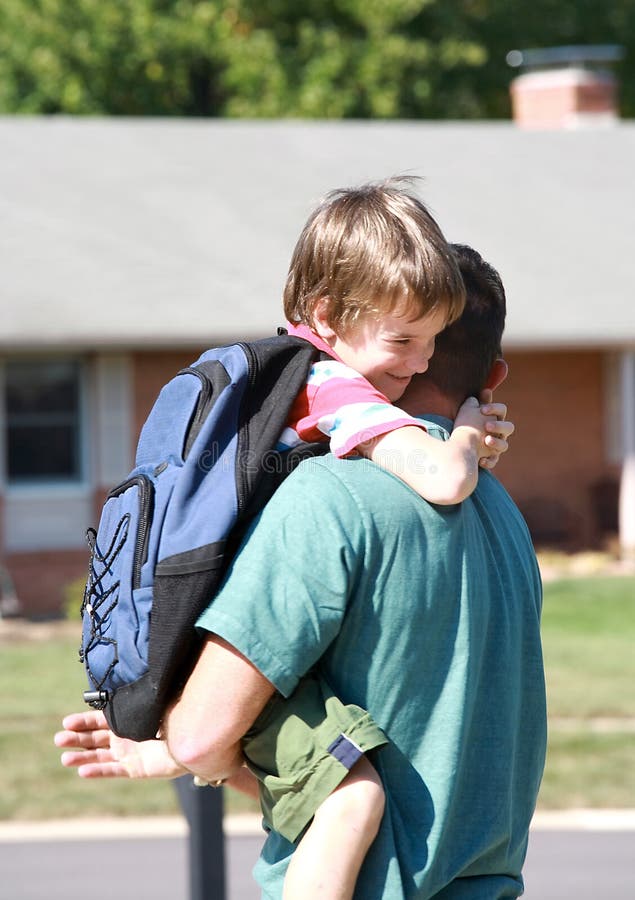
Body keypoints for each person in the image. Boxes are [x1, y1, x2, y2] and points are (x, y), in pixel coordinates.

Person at [56, 243, 546, 899]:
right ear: (495, 377)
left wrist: (175, 748)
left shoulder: (329, 498)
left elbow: (204, 733)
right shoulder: (500, 510)